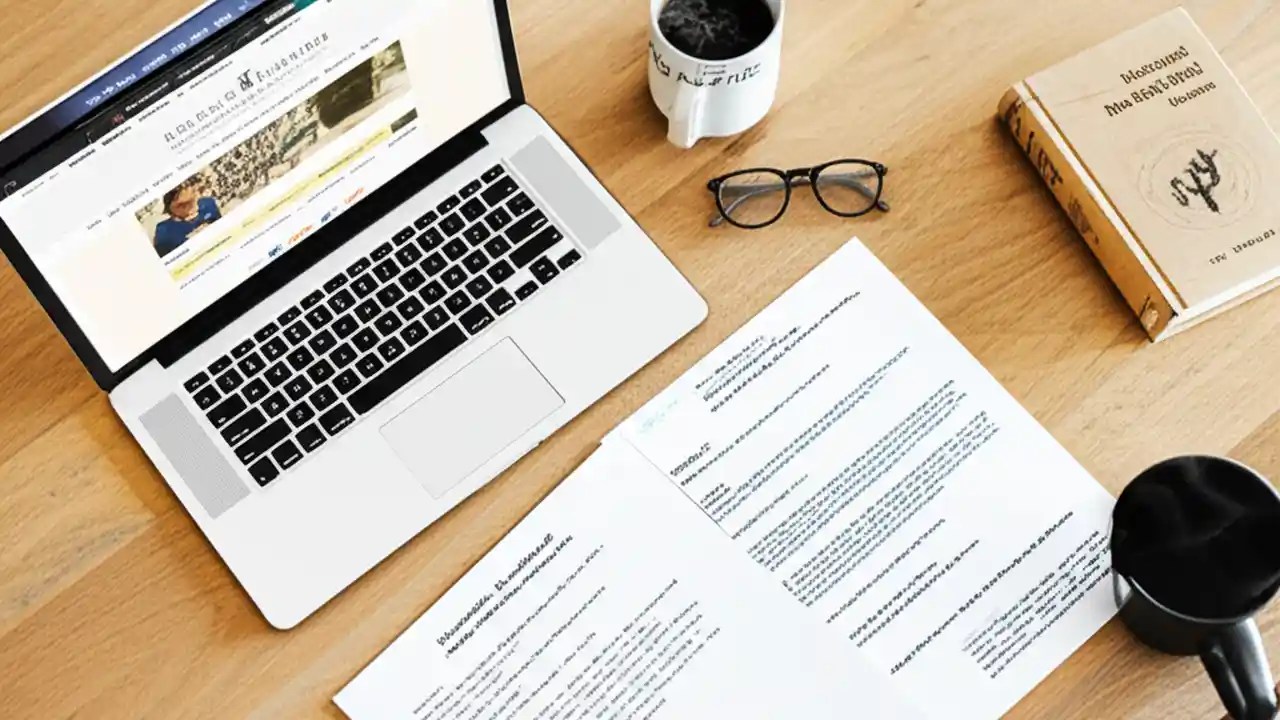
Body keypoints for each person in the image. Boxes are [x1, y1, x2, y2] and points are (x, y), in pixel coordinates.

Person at [153, 182, 221, 257]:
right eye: (181, 206)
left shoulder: (208, 204)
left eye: (191, 201)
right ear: (171, 211)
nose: (188, 208)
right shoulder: (164, 231)